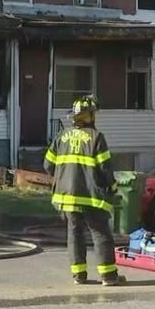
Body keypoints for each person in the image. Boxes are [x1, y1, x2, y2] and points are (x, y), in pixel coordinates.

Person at [43, 95, 126, 287]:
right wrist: (112, 187)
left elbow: (48, 165)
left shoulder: (61, 137)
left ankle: (79, 275)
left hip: (66, 197)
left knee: (74, 233)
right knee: (100, 233)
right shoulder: (96, 137)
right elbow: (105, 169)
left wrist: (64, 175)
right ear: (89, 116)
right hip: (91, 197)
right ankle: (108, 276)